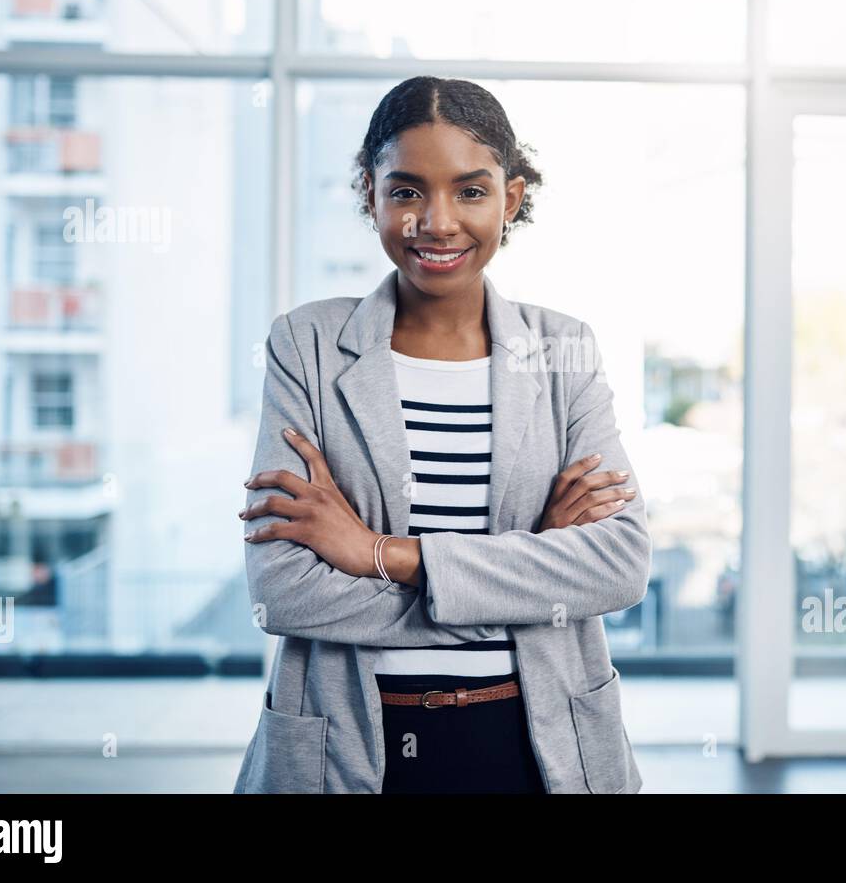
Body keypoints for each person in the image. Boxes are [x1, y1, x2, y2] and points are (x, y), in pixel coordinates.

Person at [233, 76, 651, 794]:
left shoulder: (564, 349)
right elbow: (285, 593)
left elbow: (617, 565)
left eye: (469, 191)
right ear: (370, 195)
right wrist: (531, 568)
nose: (436, 222)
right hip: (350, 742)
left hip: (535, 745)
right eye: (405, 192)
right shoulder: (306, 343)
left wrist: (378, 554)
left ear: (510, 199)